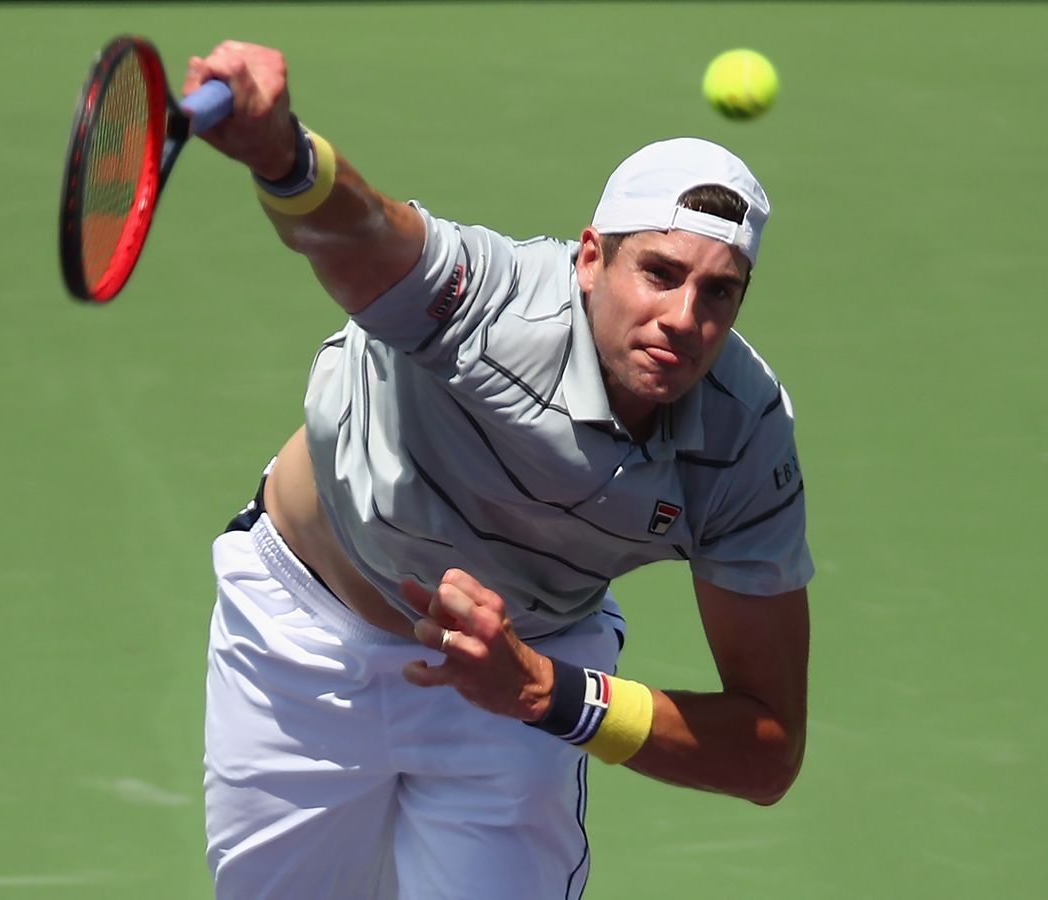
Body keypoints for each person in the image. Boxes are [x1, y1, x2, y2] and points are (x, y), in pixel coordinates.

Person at [189, 40, 814, 900]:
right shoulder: (491, 302)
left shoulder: (744, 438)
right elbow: (364, 230)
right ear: (591, 258)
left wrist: (543, 691)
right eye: (660, 274)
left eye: (719, 292)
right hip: (303, 642)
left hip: (520, 669)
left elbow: (766, 750)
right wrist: (281, 153)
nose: (683, 318)